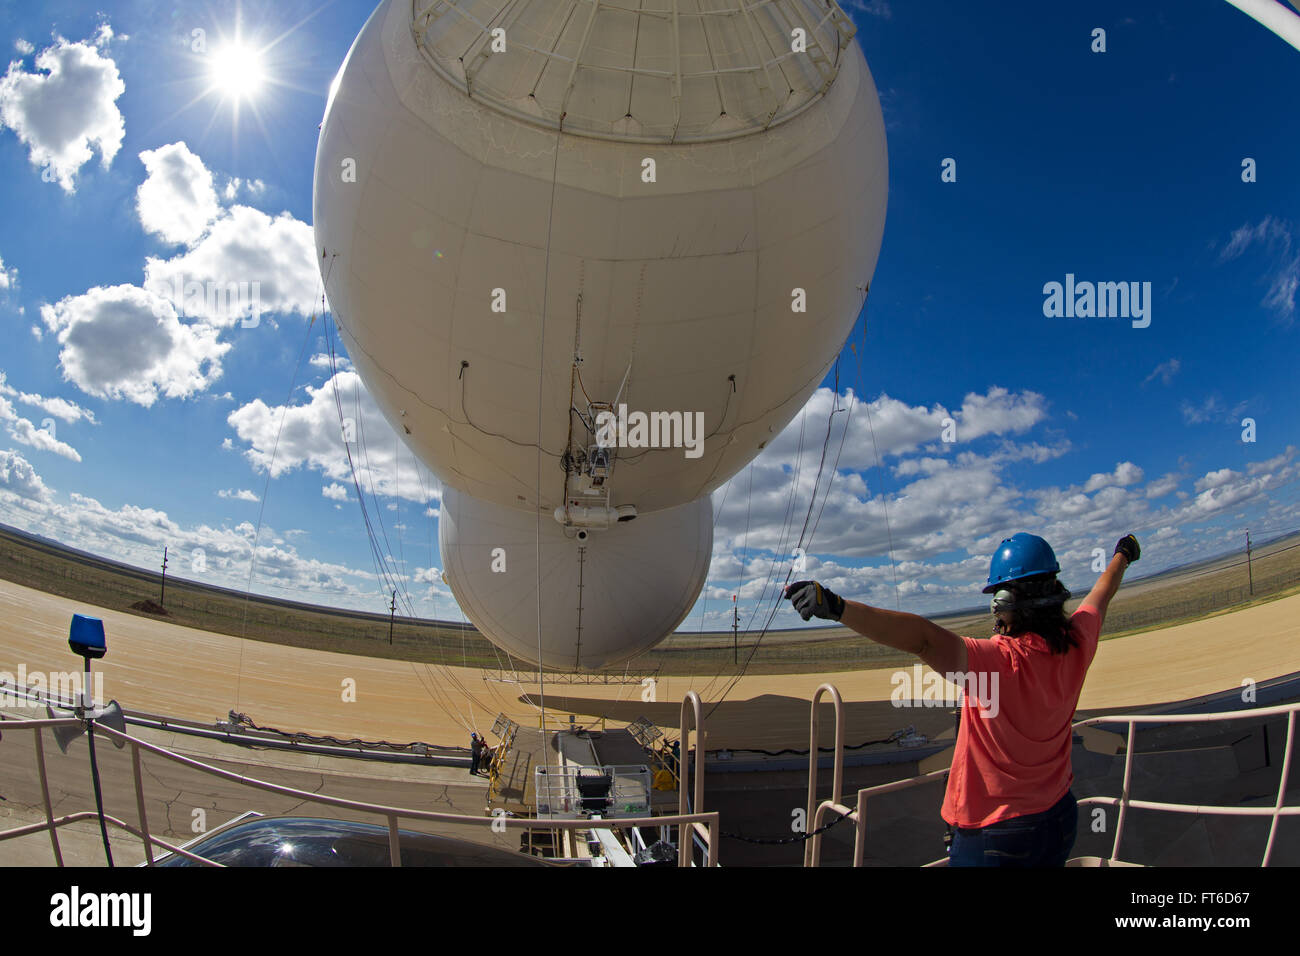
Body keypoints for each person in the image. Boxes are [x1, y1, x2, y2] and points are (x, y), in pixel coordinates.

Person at [785, 531, 1139, 867]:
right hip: (1058, 817)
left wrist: (837, 606)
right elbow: (1100, 594)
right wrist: (1122, 555)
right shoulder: (1078, 641)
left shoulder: (997, 661)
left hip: (996, 835)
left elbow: (923, 639)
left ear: (1007, 602)